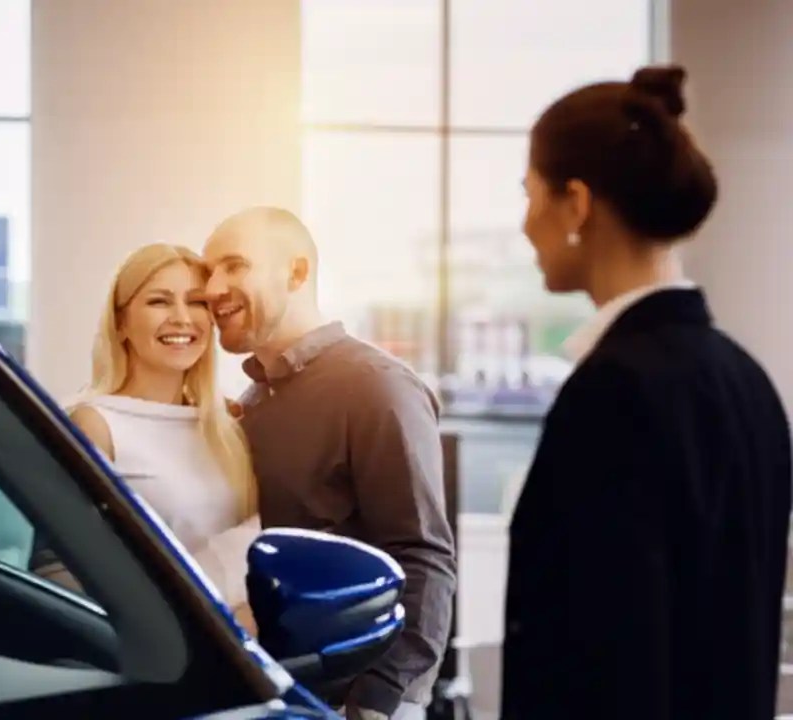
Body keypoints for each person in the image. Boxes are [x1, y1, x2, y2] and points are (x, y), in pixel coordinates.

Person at [501, 64, 791, 720]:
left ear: (576, 203)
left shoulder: (614, 393)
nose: (524, 224)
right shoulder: (747, 381)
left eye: (530, 194)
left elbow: (602, 660)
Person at [201, 207, 456, 720]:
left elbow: (423, 555)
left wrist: (380, 699)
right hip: (280, 695)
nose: (212, 288)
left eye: (233, 265)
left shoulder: (376, 386)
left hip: (354, 704)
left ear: (296, 273)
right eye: (208, 272)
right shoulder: (252, 402)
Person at [65, 243, 260, 626]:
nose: (182, 318)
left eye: (197, 302)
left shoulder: (229, 423)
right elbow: (69, 568)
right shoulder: (96, 424)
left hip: (238, 653)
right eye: (159, 302)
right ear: (121, 323)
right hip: (156, 646)